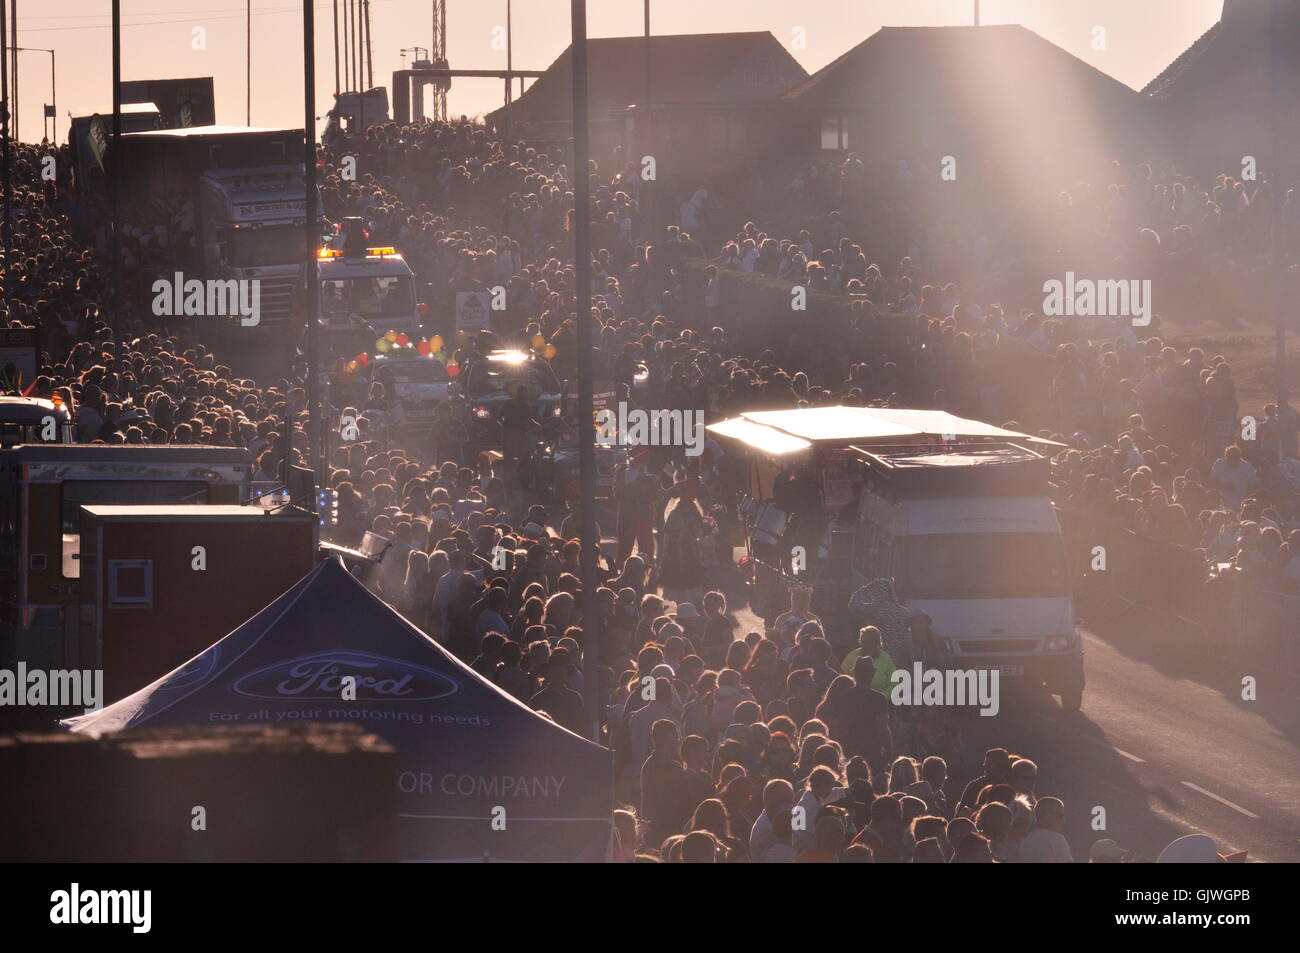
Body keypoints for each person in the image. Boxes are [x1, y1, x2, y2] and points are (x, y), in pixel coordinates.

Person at [749, 778, 796, 863]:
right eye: (789, 800)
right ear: (775, 802)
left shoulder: (774, 821)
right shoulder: (765, 830)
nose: (792, 805)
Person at [1019, 797, 1073, 863]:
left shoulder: (1026, 840)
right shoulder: (1056, 838)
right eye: (1060, 816)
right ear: (1046, 815)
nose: (1063, 820)